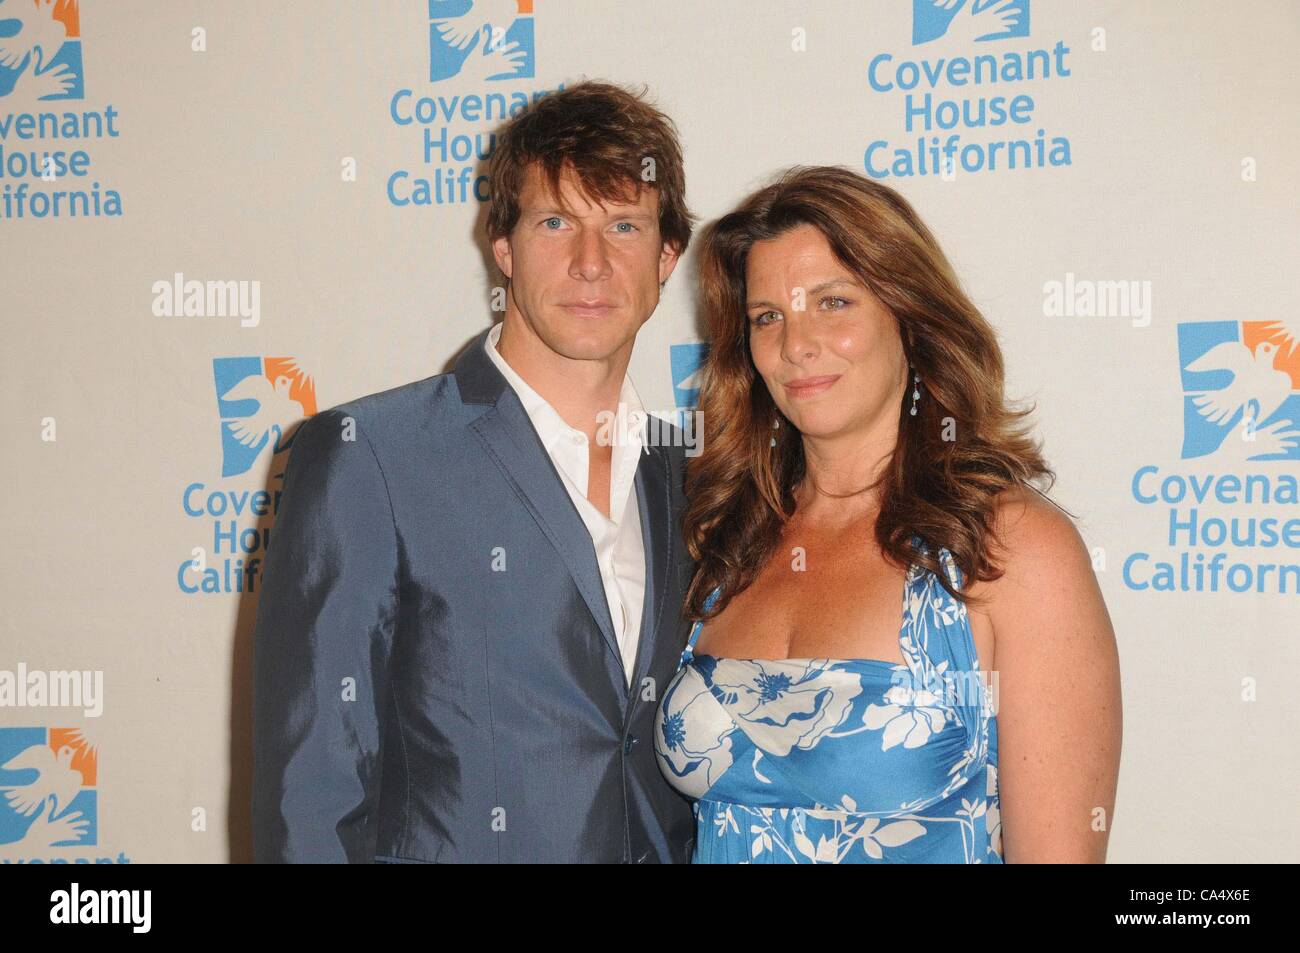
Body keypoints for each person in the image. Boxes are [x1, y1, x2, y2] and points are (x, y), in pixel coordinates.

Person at [252, 80, 699, 862]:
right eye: (556, 221)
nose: (590, 262)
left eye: (624, 225)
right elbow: (314, 796)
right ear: (504, 248)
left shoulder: (693, 475)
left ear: (666, 257)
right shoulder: (369, 455)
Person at [655, 165, 1122, 863]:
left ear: (908, 315)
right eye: (767, 316)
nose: (796, 344)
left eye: (834, 301)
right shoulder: (728, 535)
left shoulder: (1010, 548)